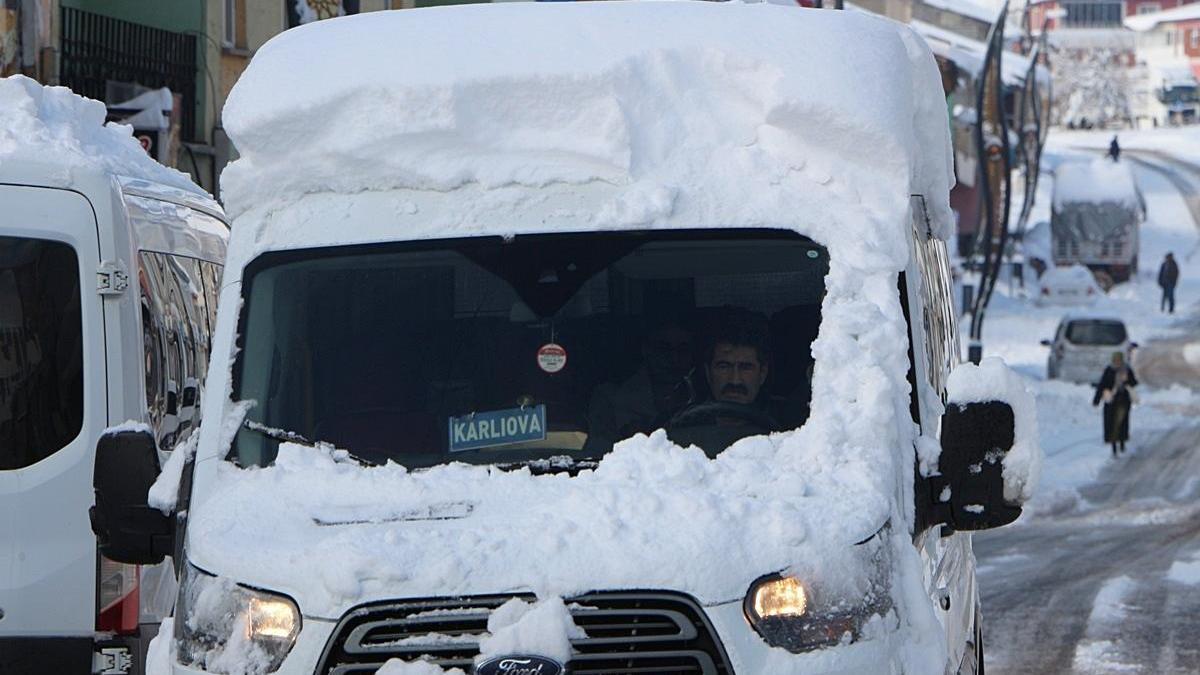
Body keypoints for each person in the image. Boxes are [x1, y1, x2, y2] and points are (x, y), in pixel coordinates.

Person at [586, 318, 693, 444]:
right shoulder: (609, 396)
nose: (674, 358)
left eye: (683, 350)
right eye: (664, 349)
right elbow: (600, 452)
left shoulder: (705, 393)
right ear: (646, 350)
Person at [1092, 351, 1138, 456]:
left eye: (1118, 360)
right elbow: (1102, 385)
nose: (1117, 362)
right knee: (1111, 423)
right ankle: (1113, 446)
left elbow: (1134, 382)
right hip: (1111, 401)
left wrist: (1127, 381)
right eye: (1115, 360)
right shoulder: (1109, 370)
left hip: (1123, 400)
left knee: (1121, 422)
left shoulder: (1127, 369)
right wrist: (1097, 399)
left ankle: (1121, 443)